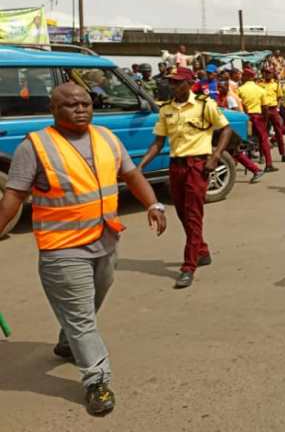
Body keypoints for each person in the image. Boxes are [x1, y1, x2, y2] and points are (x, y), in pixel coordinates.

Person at [0, 83, 167, 416]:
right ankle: (97, 380)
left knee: (91, 304)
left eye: (85, 103)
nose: (80, 109)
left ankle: (67, 342)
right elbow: (14, 196)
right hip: (62, 248)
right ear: (53, 109)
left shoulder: (106, 137)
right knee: (81, 318)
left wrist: (154, 204)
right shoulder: (35, 147)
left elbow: (131, 175)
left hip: (105, 240)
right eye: (70, 104)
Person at [139, 67, 233, 289]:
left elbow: (226, 129)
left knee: (193, 214)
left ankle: (188, 266)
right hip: (176, 166)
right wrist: (140, 166)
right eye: (171, 82)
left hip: (197, 165)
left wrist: (216, 155)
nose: (172, 86)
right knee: (183, 213)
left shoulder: (204, 105)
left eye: (177, 82)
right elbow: (158, 142)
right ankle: (202, 250)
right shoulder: (166, 109)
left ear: (189, 83)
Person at [217, 80, 266, 184]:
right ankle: (254, 170)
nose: (219, 89)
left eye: (221, 87)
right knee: (234, 154)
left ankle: (256, 170)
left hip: (232, 129)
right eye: (218, 87)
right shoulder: (219, 98)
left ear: (227, 87)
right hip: (224, 129)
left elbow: (234, 114)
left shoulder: (230, 98)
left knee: (235, 153)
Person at [237, 68, 278, 174]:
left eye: (243, 76)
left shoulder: (240, 89)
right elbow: (265, 107)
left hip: (245, 117)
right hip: (258, 116)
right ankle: (268, 164)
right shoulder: (260, 90)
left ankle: (242, 163)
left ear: (246, 77)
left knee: (242, 141)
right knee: (263, 140)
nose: (242, 77)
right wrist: (264, 119)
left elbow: (238, 104)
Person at [260, 68, 285, 163]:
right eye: (266, 73)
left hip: (273, 109)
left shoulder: (276, 84)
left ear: (272, 74)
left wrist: (277, 108)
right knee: (262, 133)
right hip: (263, 109)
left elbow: (280, 97)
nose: (267, 75)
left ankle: (283, 154)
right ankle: (262, 155)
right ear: (263, 74)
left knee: (279, 132)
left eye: (269, 73)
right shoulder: (259, 84)